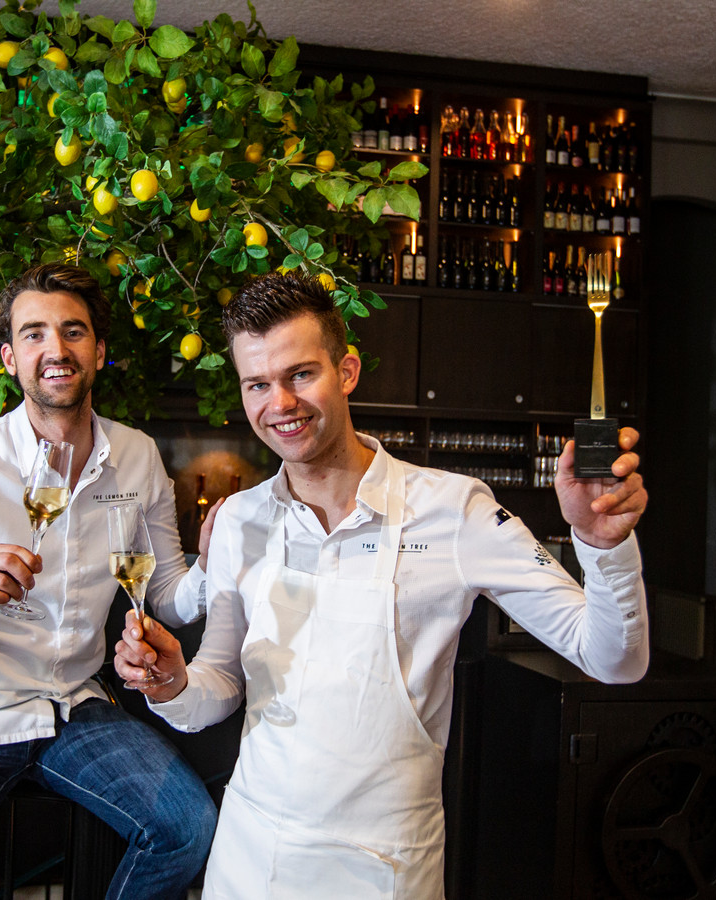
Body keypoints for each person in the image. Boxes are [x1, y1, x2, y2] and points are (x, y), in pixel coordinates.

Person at [114, 271, 650, 899]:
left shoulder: (453, 510)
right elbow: (223, 684)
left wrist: (604, 546)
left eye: (300, 375)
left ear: (347, 372)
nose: (279, 403)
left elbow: (615, 660)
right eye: (258, 384)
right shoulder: (238, 520)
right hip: (251, 854)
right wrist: (174, 683)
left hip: (383, 867)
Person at [0, 263, 217, 900]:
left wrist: (217, 567)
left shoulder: (136, 456)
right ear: (9, 358)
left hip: (74, 708)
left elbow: (168, 595)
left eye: (73, 331)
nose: (55, 349)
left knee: (188, 830)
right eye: (34, 334)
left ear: (99, 351)